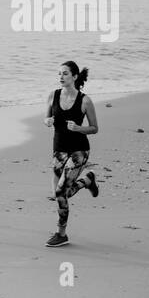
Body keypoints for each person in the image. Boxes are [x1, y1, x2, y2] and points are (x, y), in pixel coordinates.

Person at [43, 60, 99, 246]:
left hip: (79, 150)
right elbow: (46, 118)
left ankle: (61, 233)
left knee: (60, 192)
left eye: (65, 73)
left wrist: (78, 128)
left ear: (74, 77)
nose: (61, 77)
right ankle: (87, 181)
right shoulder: (53, 95)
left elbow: (94, 128)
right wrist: (48, 121)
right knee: (60, 193)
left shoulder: (85, 100)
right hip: (58, 149)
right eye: (59, 73)